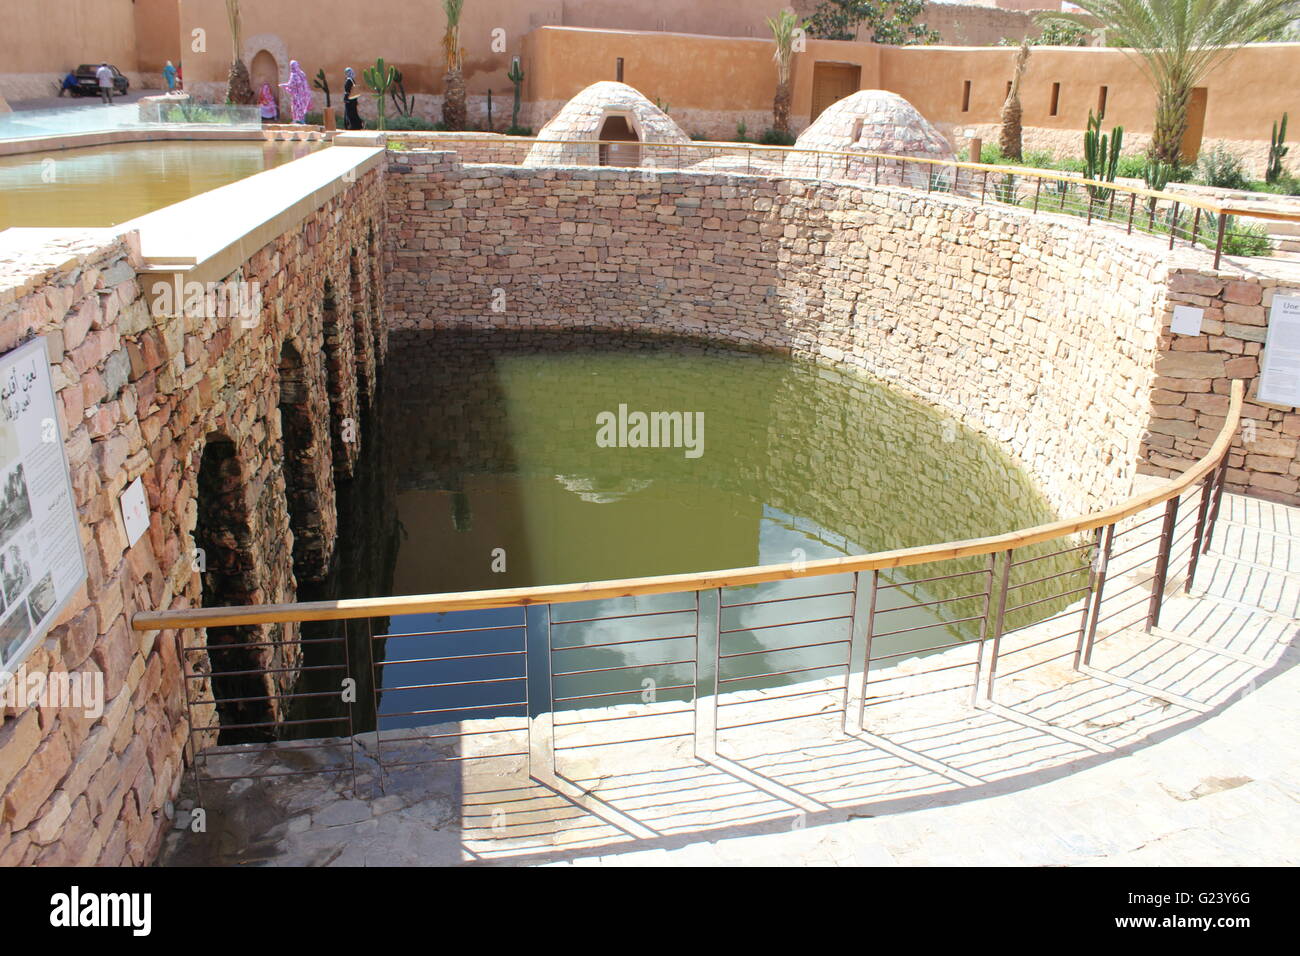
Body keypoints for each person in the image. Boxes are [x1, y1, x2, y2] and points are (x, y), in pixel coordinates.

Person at [279, 60, 311, 124]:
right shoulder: (301, 73)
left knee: (295, 106)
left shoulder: (294, 75)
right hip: (303, 94)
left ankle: (296, 120)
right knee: (301, 106)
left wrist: (283, 85)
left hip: (296, 94)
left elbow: (291, 84)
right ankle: (302, 120)